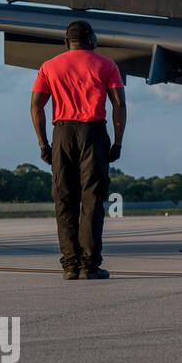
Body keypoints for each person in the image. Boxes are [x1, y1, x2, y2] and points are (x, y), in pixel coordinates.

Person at [30, 20, 127, 280]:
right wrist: (118, 141)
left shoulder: (48, 66)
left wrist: (43, 143)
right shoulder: (107, 65)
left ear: (66, 41)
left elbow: (36, 106)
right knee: (92, 200)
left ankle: (70, 265)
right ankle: (90, 265)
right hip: (93, 133)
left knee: (64, 199)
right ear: (92, 40)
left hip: (62, 133)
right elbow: (119, 105)